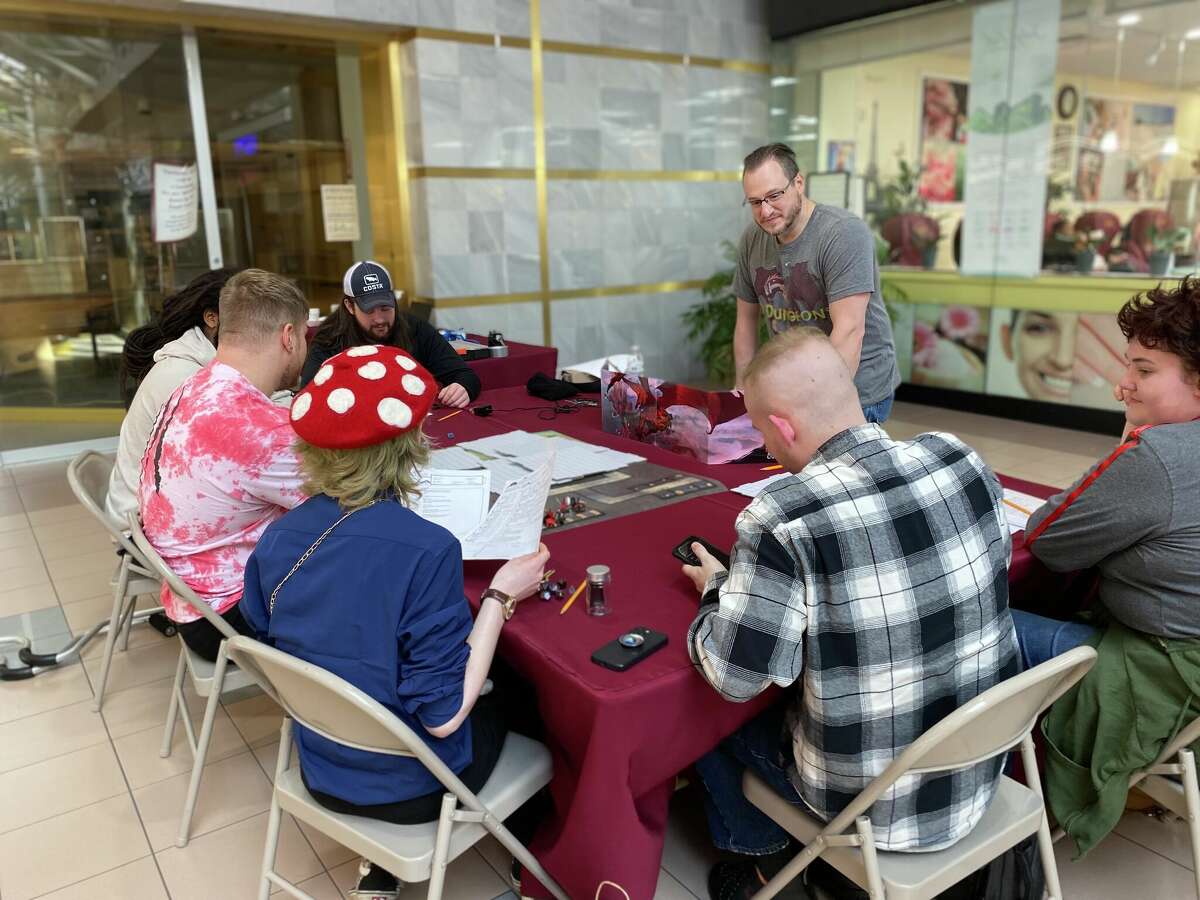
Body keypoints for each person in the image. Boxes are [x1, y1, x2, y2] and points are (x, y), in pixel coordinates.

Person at [682, 327, 1019, 899]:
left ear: (783, 427)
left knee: (701, 722)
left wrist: (718, 588)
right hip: (984, 767)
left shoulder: (782, 516)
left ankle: (758, 861)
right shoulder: (957, 455)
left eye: (762, 432)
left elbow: (735, 677)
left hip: (870, 805)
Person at [241, 346, 550, 899]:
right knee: (528, 695)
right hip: (414, 785)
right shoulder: (427, 550)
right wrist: (501, 596)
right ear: (409, 444)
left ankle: (378, 867)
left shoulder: (278, 536)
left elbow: (265, 638)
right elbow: (444, 716)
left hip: (320, 766)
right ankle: (531, 854)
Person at [1011, 278, 1200, 856]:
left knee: (967, 619)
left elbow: (1048, 539)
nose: (1123, 384)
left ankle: (985, 789)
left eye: (1144, 371)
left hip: (1157, 667)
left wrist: (1128, 445)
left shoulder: (1160, 458)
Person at [138, 269, 310, 662]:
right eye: (303, 335)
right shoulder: (252, 425)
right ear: (288, 336)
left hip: (190, 598)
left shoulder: (192, 386)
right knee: (379, 566)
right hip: (227, 619)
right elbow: (347, 498)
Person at [732, 143, 899, 423]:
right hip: (794, 389)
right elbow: (745, 324)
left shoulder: (842, 233)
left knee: (839, 467)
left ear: (798, 182)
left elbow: (850, 331)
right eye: (755, 202)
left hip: (855, 388)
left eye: (774, 196)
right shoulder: (752, 240)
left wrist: (815, 408)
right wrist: (742, 393)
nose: (766, 210)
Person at [105, 268, 238, 525]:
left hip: (153, 504)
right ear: (212, 318)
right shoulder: (185, 374)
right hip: (141, 524)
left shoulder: (196, 357)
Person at [301, 260, 480, 408]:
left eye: (385, 308)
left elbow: (466, 376)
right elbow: (308, 395)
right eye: (369, 311)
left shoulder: (414, 328)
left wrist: (462, 387)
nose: (379, 319)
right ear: (349, 306)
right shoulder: (330, 337)